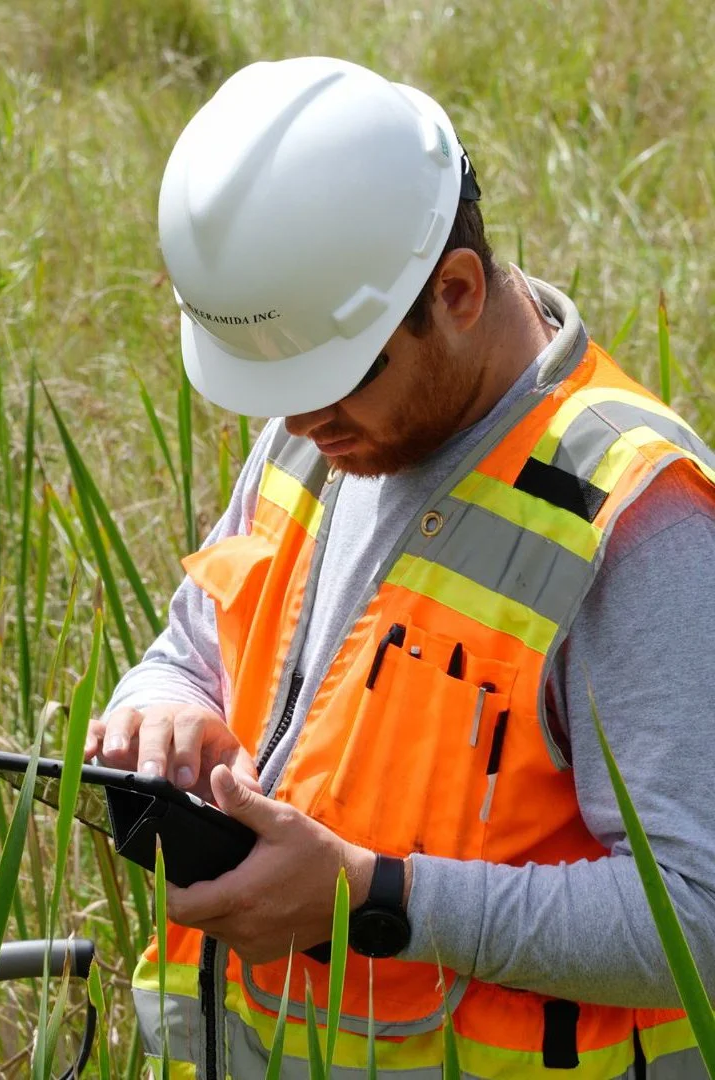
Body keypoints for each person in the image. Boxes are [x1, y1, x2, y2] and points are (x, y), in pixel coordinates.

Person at [83, 57, 715, 1078]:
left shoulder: (638, 521)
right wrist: (161, 706)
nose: (298, 423)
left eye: (332, 381)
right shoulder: (322, 430)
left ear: (455, 293)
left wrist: (376, 898)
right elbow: (193, 646)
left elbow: (698, 918)